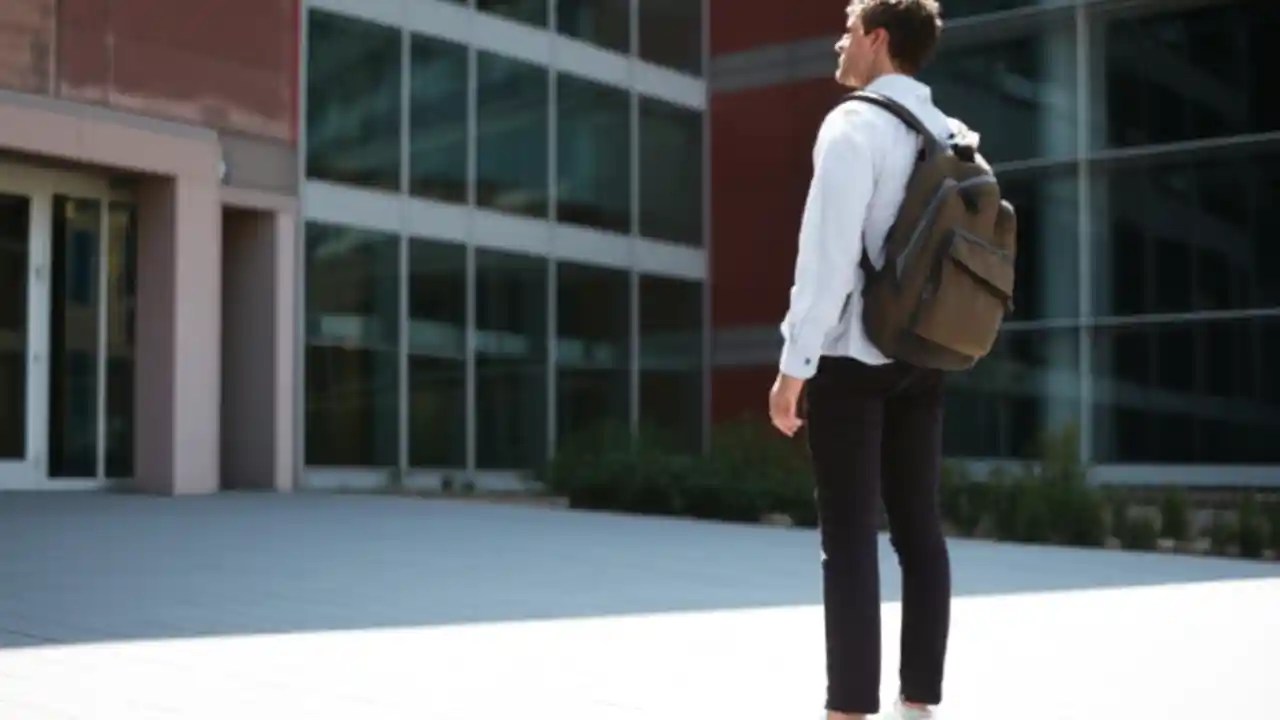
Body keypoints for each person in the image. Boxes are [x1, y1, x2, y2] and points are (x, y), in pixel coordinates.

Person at [767, 1, 959, 719]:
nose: (839, 43)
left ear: (878, 40)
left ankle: (848, 710)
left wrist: (794, 369)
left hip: (854, 354)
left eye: (848, 31)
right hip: (926, 352)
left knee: (849, 539)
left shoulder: (853, 127)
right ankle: (920, 705)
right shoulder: (953, 135)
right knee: (919, 529)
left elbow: (824, 261)